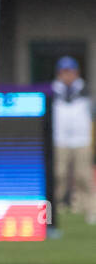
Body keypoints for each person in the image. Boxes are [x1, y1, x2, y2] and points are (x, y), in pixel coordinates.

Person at [52, 56, 95, 226]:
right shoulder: (53, 93)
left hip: (81, 140)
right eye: (64, 72)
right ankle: (50, 213)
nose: (68, 76)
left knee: (84, 177)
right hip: (59, 140)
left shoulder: (85, 92)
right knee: (57, 176)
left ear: (76, 73)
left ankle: (91, 211)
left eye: (70, 72)